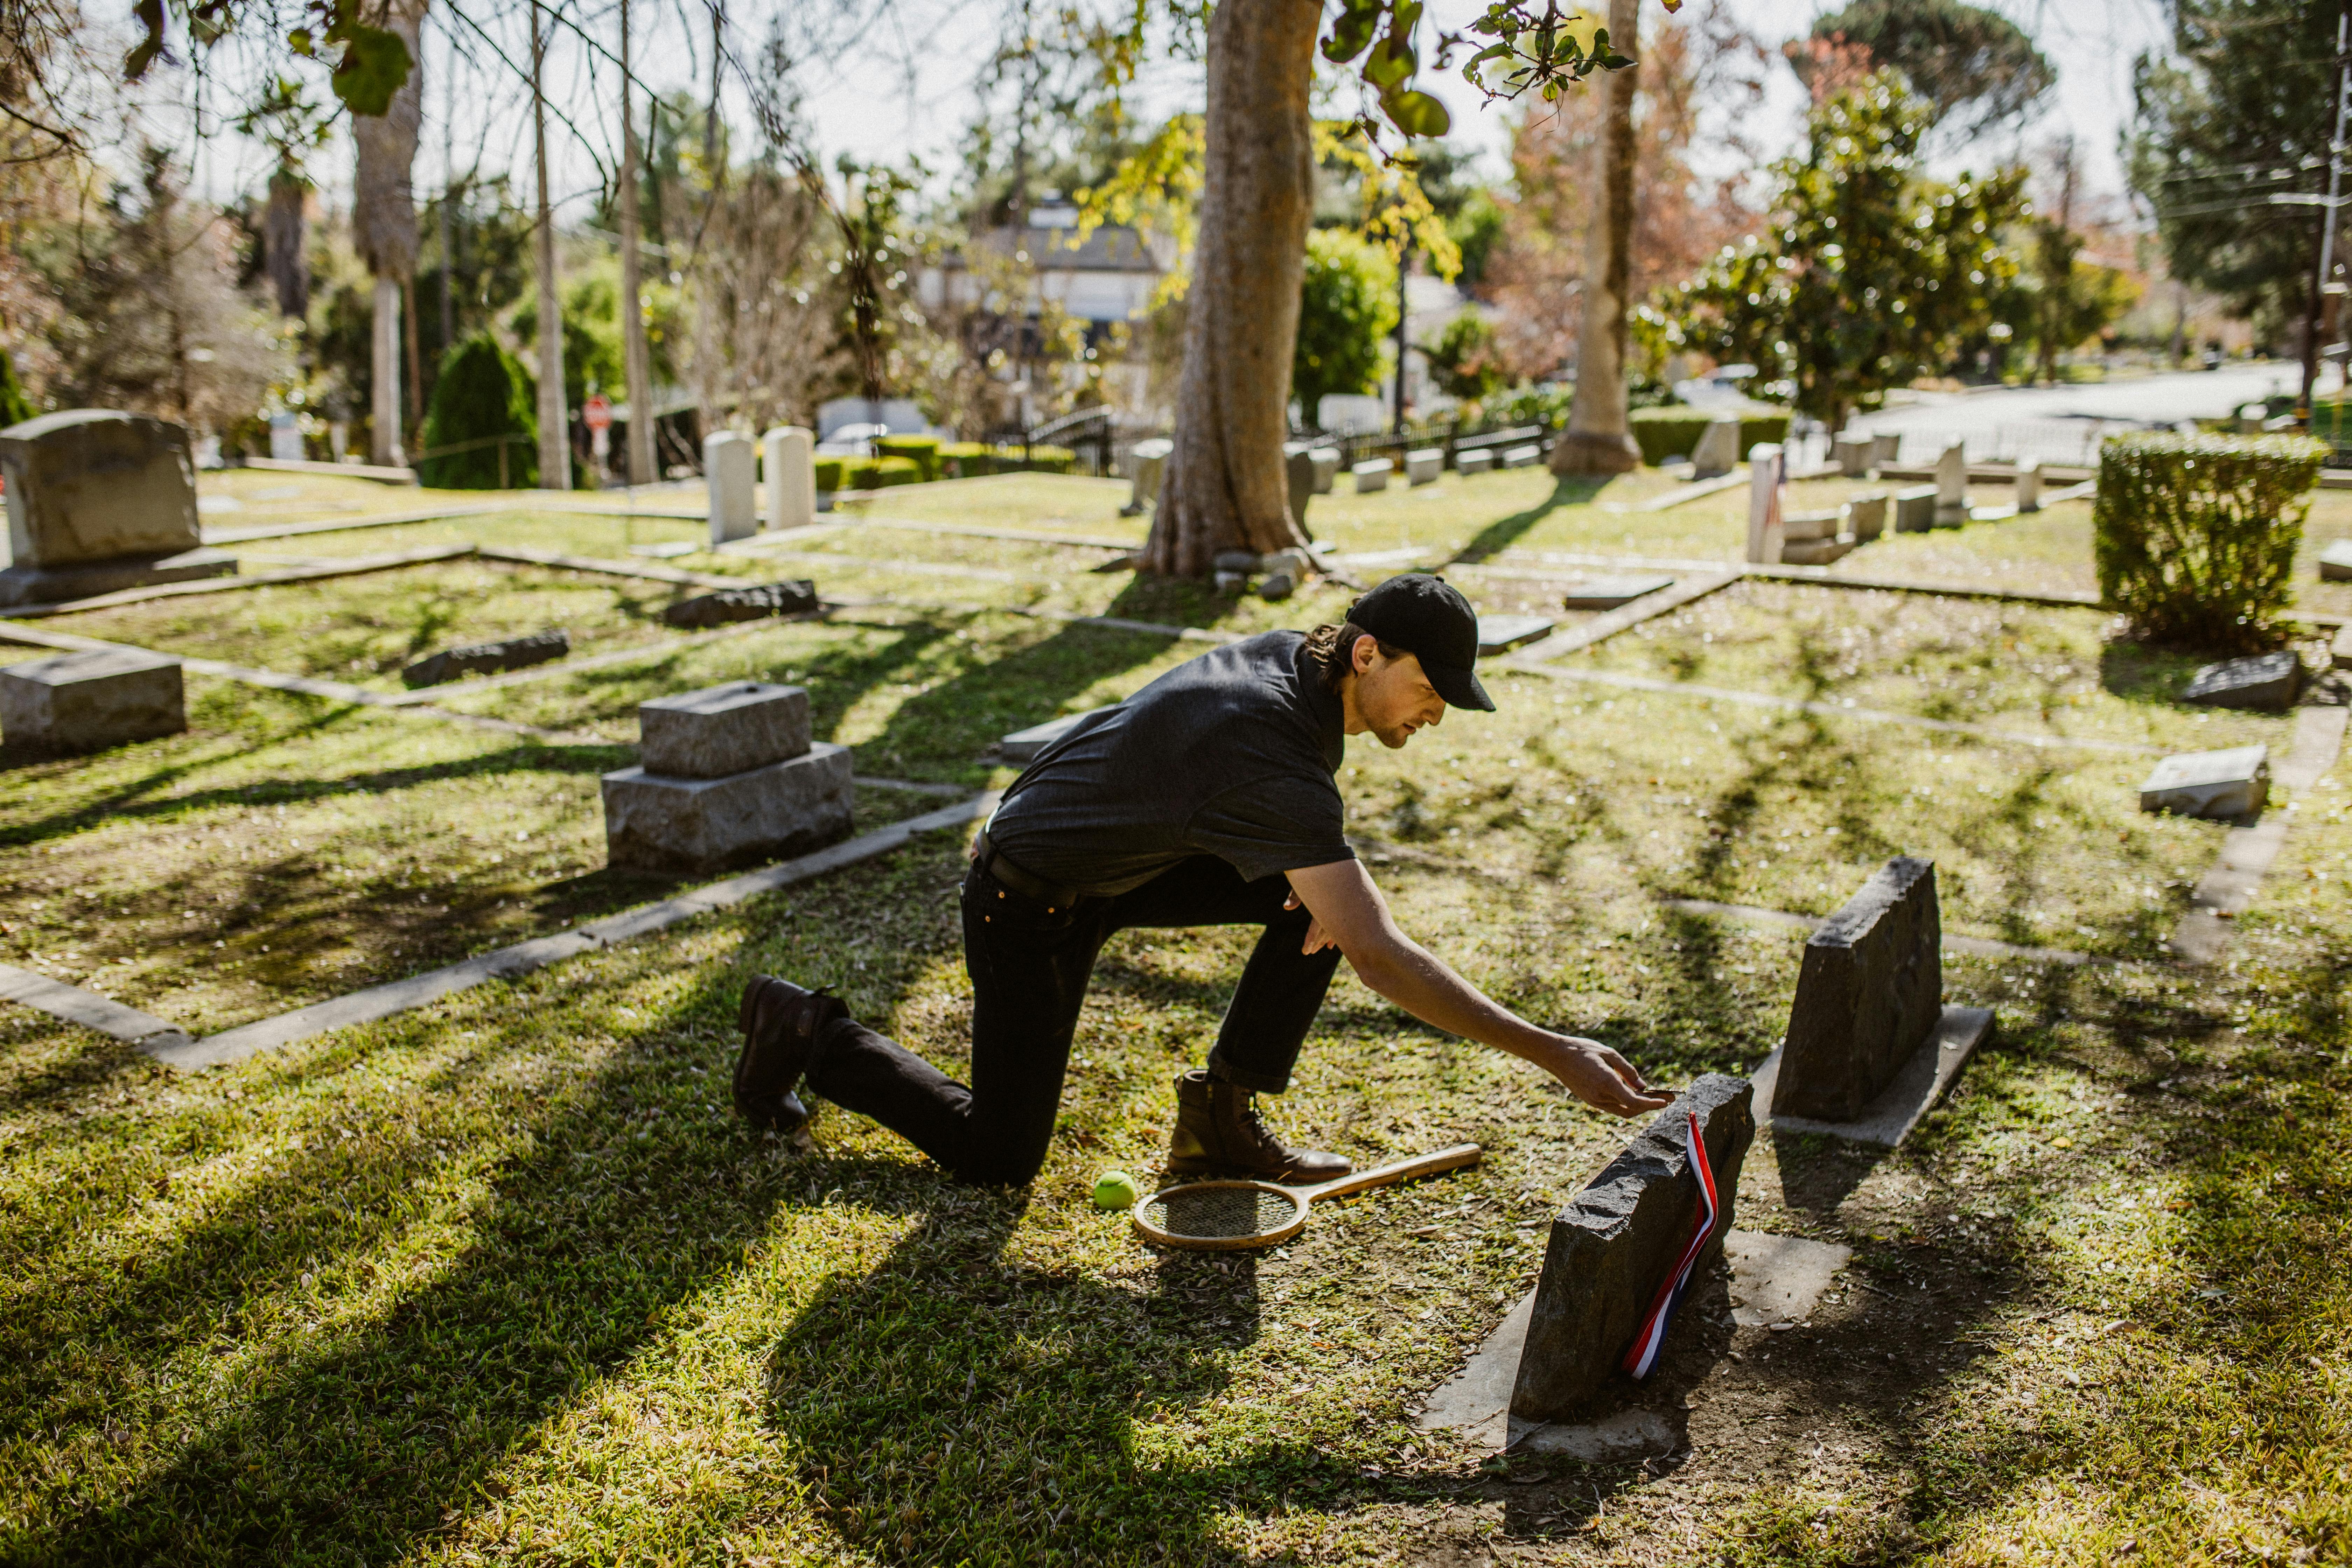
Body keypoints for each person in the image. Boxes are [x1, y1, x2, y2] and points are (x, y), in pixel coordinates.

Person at [733, 572, 1673, 1186]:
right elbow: (1381, 960)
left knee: (1314, 897)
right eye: (1430, 690)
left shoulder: (1300, 670)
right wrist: (1554, 1051)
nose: (1437, 715)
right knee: (998, 1157)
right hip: (1024, 898)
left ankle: (1219, 1122)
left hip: (1110, 870)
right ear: (1367, 655)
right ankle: (810, 1029)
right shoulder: (1269, 749)